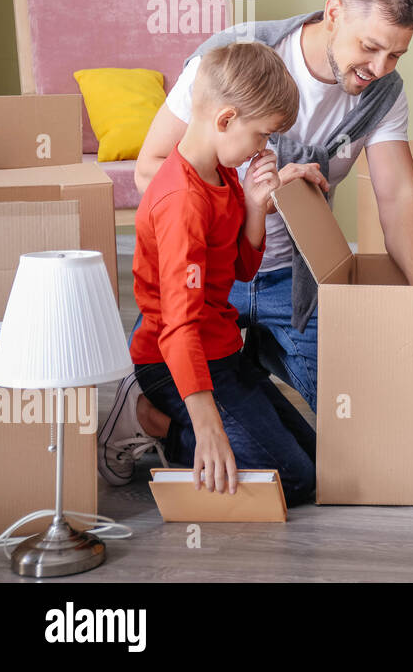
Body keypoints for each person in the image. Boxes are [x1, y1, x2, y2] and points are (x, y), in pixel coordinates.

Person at [99, 0, 413, 485]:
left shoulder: (384, 96)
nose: (380, 68)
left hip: (289, 281)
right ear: (333, 13)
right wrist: (252, 193)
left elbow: (397, 199)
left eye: (396, 54)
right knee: (191, 356)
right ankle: (159, 415)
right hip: (212, 286)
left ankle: (240, 394)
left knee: (364, 436)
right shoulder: (236, 61)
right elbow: (150, 171)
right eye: (369, 47)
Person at [130, 41, 315, 504]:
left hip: (221, 352)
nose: (264, 147)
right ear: (226, 119)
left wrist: (255, 205)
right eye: (262, 135)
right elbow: (177, 327)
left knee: (314, 461)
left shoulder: (224, 173)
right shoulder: (181, 203)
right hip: (174, 362)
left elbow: (241, 271)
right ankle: (157, 422)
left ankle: (209, 423)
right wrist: (205, 427)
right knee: (290, 482)